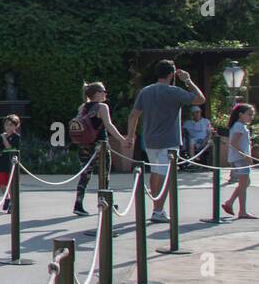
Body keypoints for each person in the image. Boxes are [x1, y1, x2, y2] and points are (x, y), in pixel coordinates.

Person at [126, 60, 205, 223]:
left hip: (149, 139)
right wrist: (188, 81)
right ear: (171, 74)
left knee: (155, 172)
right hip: (168, 141)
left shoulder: (145, 91)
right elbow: (200, 99)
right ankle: (158, 210)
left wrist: (130, 136)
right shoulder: (174, 91)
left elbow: (134, 115)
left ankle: (157, 207)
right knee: (164, 175)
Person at [72, 82, 127, 217]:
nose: (105, 94)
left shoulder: (82, 107)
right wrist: (122, 140)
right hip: (100, 145)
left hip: (84, 144)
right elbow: (108, 125)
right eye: (103, 91)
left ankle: (78, 204)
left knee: (85, 175)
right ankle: (104, 201)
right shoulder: (102, 107)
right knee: (104, 175)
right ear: (96, 94)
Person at [220, 102, 255, 219]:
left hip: (239, 158)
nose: (251, 117)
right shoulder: (239, 126)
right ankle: (242, 211)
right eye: (249, 114)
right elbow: (234, 143)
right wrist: (245, 155)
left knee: (245, 183)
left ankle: (229, 202)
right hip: (240, 159)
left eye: (252, 114)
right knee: (244, 183)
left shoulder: (239, 125)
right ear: (240, 114)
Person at [0, 114, 21, 213]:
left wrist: (4, 138)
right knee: (1, 183)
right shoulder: (0, 137)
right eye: (6, 125)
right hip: (2, 163)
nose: (8, 127)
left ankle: (12, 204)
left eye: (11, 125)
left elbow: (9, 147)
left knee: (12, 185)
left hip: (12, 164)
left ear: (15, 126)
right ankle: (7, 198)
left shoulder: (16, 137)